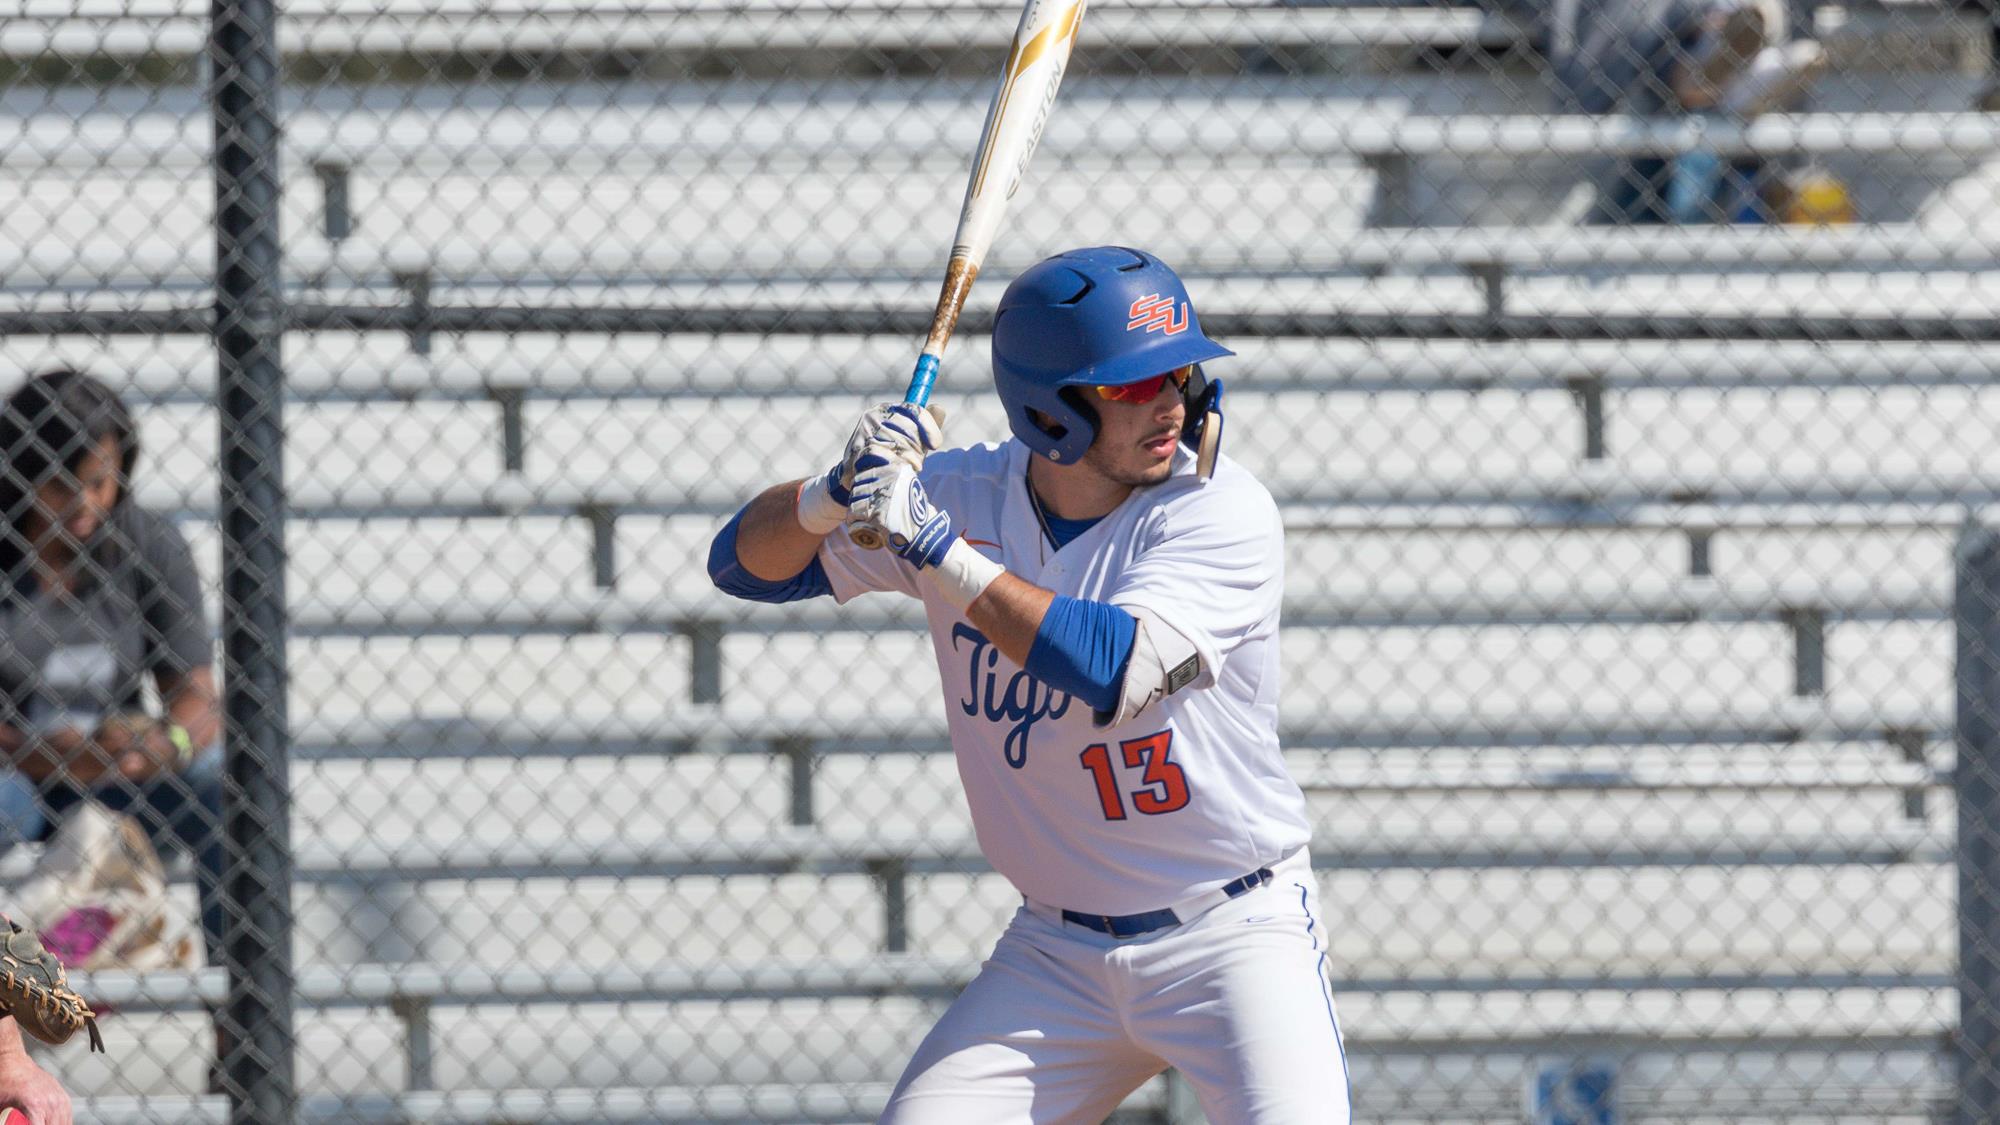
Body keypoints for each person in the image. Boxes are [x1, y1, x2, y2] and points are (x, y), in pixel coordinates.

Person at [709, 246, 1347, 1122]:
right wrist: (830, 492)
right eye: (1132, 384)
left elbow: (1110, 666)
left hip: (1231, 935)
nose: (1170, 403)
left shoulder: (1218, 511)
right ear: (1052, 410)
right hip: (1057, 953)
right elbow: (746, 568)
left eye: (1179, 372)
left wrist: (938, 551)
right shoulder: (963, 495)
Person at [0, 370, 224, 966]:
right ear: (20, 476)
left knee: (224, 785)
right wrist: (35, 752)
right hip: (16, 774)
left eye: (100, 483)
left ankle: (242, 1023)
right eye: (60, 485)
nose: (83, 504)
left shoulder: (148, 542)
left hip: (121, 774)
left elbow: (197, 694)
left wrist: (163, 744)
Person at [1552, 0, 1827, 223]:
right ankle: (1732, 81)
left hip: (1683, 65)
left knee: (1695, 123)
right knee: (1698, 105)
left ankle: (1719, 79)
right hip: (1674, 49)